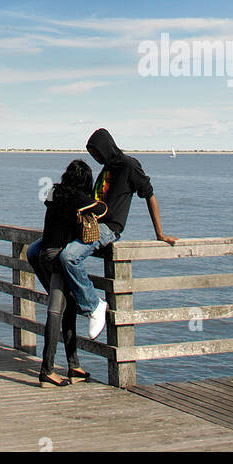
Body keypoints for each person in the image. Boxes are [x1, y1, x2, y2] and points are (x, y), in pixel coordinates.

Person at [58, 129, 177, 341]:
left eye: (98, 154)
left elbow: (149, 194)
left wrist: (160, 233)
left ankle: (93, 305)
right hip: (90, 223)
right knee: (38, 249)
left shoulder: (129, 166)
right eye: (92, 155)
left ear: (107, 147)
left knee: (69, 256)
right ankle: (71, 297)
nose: (96, 158)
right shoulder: (106, 170)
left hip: (109, 228)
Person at [26, 160, 102, 386]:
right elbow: (102, 209)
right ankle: (47, 370)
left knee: (67, 307)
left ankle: (74, 366)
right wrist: (93, 200)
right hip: (58, 257)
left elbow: (52, 210)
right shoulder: (76, 198)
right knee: (56, 311)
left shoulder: (54, 192)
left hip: (44, 254)